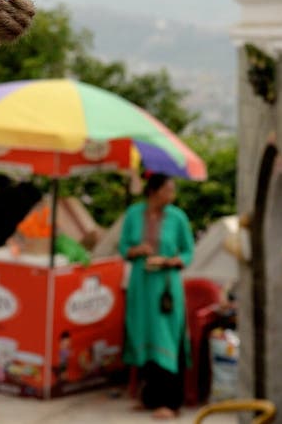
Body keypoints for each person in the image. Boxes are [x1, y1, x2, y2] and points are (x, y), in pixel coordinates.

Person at [119, 172, 194, 420]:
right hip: (141, 283)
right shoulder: (133, 214)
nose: (172, 195)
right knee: (143, 334)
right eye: (168, 190)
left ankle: (170, 402)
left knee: (167, 338)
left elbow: (188, 251)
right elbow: (122, 248)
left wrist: (172, 260)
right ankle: (149, 398)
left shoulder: (178, 217)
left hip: (166, 286)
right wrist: (137, 249)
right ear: (154, 191)